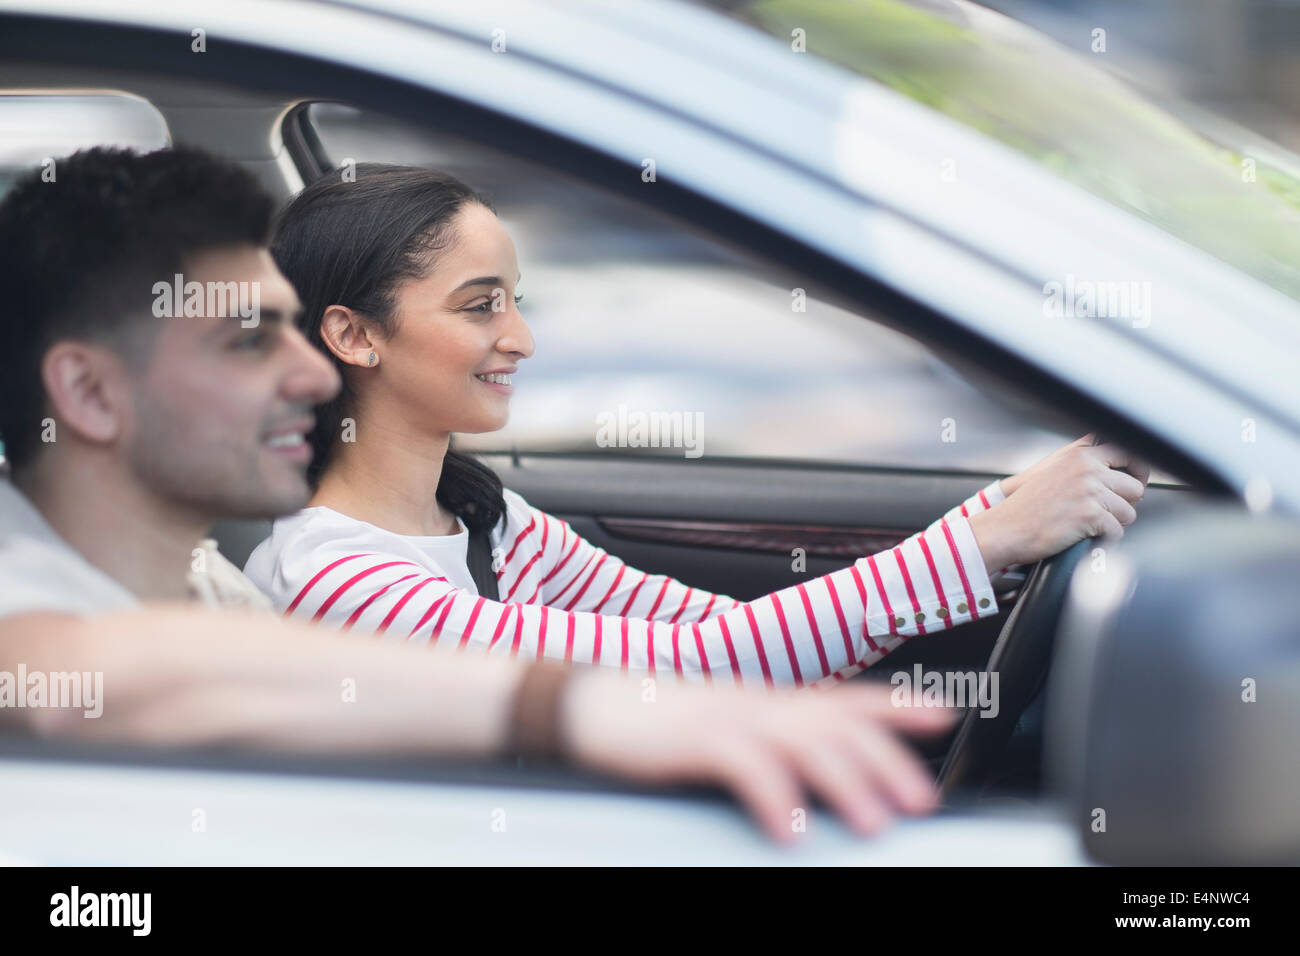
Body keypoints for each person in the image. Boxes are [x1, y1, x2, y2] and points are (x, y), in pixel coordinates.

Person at [0, 145, 981, 842]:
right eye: (250, 339)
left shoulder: (218, 584)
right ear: (87, 392)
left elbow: (716, 640)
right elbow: (91, 667)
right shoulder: (40, 590)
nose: (306, 375)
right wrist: (580, 707)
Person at [246, 164, 1150, 685]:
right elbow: (701, 666)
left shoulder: (486, 520)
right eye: (480, 307)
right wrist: (989, 538)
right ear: (354, 335)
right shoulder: (337, 581)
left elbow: (733, 627)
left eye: (515, 302)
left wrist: (999, 512)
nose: (519, 338)